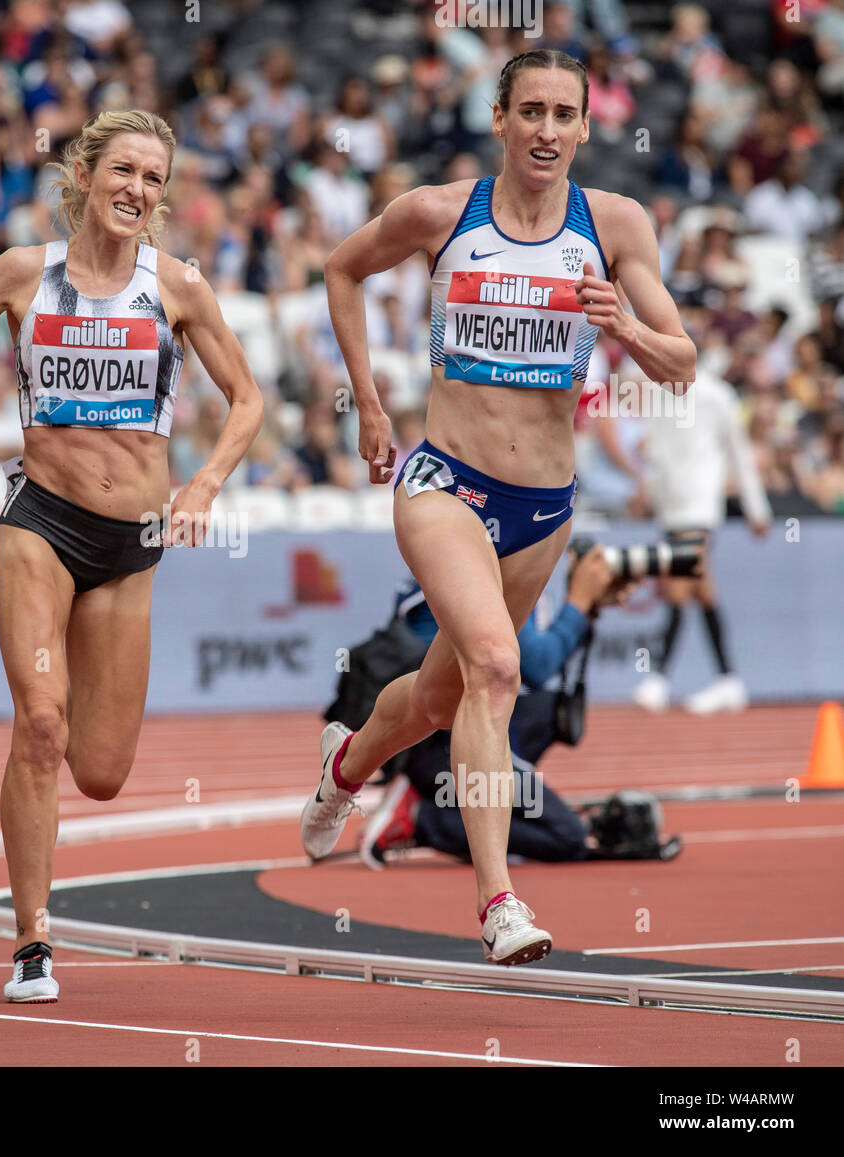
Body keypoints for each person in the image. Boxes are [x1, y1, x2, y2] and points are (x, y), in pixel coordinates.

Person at [300, 49, 695, 966]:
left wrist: (624, 327)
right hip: (444, 482)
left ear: (588, 127)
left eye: (565, 114)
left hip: (542, 508)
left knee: (443, 697)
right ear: (500, 117)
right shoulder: (441, 213)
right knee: (494, 664)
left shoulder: (618, 224)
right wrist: (368, 401)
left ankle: (345, 765)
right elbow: (340, 270)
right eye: (531, 112)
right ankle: (499, 900)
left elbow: (682, 363)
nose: (547, 130)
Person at [0, 109, 263, 1002]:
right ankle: (33, 939)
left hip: (134, 543)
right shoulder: (26, 274)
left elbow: (247, 399)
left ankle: (50, 762)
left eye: (153, 177)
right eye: (124, 171)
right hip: (42, 522)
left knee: (100, 770)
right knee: (40, 725)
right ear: (85, 175)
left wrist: (204, 485)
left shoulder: (177, 288)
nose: (137, 190)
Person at [353, 546, 673, 868]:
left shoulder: (480, 548)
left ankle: (456, 795)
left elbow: (546, 678)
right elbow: (536, 663)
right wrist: (578, 602)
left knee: (549, 709)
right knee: (567, 837)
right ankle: (422, 816)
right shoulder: (498, 562)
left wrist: (587, 610)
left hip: (440, 726)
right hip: (439, 735)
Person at [632, 366, 771, 714]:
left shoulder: (717, 394)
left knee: (679, 584)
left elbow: (738, 450)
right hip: (672, 507)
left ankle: (659, 678)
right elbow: (655, 450)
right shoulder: (658, 392)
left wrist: (757, 508)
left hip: (700, 505)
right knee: (702, 588)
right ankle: (728, 679)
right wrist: (651, 497)